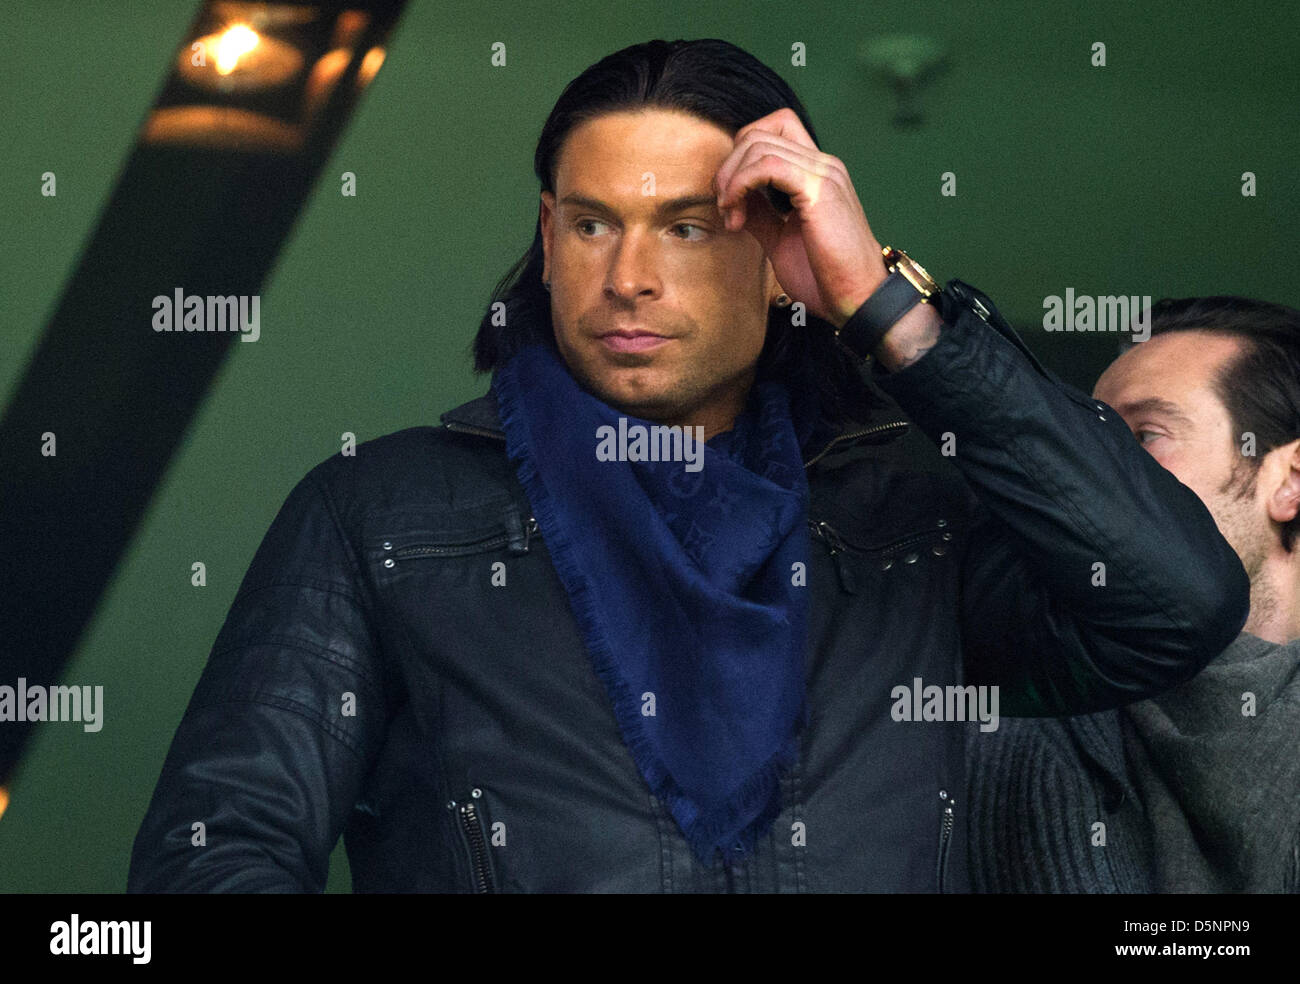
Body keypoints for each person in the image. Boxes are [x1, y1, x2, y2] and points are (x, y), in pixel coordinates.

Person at [127, 39, 1247, 893]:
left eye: (687, 228)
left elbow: (1176, 604)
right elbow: (216, 853)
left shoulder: (914, 520)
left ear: (779, 259)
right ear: (547, 234)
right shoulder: (379, 510)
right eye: (590, 223)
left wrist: (892, 317)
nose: (627, 276)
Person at [966, 296, 1300, 893]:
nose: (1100, 481)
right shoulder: (1008, 719)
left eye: (1145, 436)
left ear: (1291, 482)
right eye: (1088, 452)